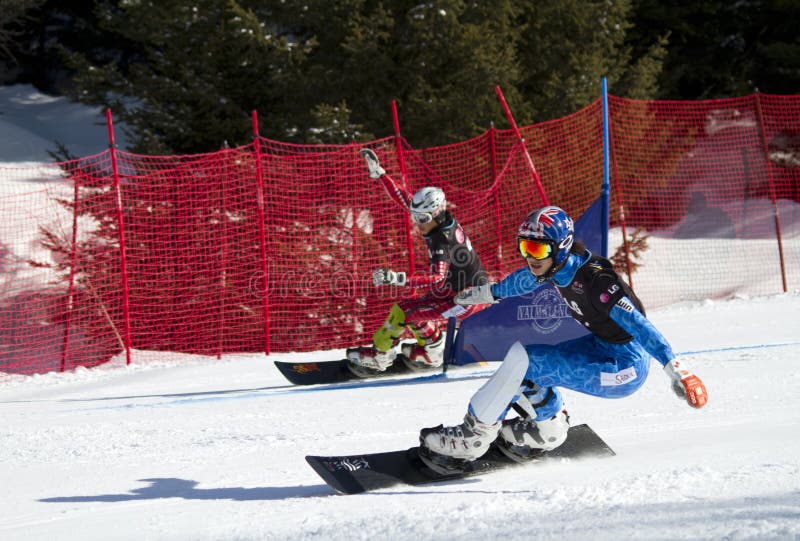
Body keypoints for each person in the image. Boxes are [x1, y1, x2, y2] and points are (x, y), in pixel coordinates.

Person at [419, 205, 708, 471]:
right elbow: (523, 280)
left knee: (526, 362)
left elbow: (638, 324)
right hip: (603, 347)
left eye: (537, 248)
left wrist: (677, 369)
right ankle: (548, 430)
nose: (530, 257)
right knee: (526, 368)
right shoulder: (553, 265)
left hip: (624, 369)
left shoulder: (597, 281)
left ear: (560, 248)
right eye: (524, 246)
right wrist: (488, 293)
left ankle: (474, 436)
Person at [346, 149, 489, 375]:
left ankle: (381, 357)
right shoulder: (437, 221)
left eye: (421, 219)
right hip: (458, 290)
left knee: (407, 313)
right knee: (407, 309)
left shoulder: (442, 239)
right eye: (415, 217)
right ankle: (430, 351)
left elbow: (436, 277)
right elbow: (405, 199)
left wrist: (395, 278)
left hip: (467, 299)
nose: (417, 223)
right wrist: (381, 174)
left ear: (436, 213)